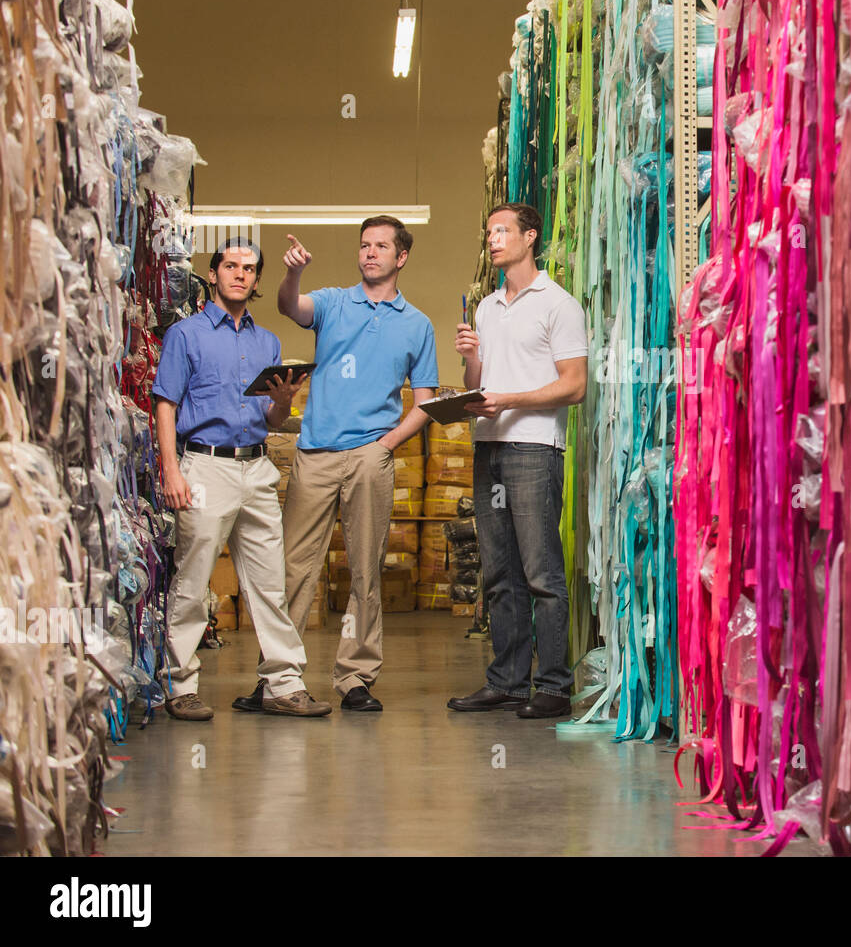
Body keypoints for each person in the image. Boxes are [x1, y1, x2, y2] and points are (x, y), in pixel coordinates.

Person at [232, 215, 437, 713]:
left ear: (400, 257)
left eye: (381, 246)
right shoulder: (331, 302)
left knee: (365, 570)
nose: (370, 253)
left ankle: (355, 678)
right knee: (294, 568)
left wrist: (384, 446)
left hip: (372, 456)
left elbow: (426, 402)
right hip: (316, 454)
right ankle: (276, 677)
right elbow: (289, 305)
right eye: (364, 245)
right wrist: (293, 273)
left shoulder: (417, 324)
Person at [152, 239, 331, 719]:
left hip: (256, 467)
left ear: (256, 280)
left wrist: (285, 397)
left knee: (270, 582)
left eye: (250, 268)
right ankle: (180, 685)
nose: (240, 274)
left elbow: (274, 420)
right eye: (230, 266)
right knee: (193, 580)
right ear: (213, 274)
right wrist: (170, 469)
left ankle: (283, 685)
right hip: (204, 465)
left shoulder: (267, 342)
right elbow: (165, 404)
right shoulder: (185, 335)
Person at [447, 203, 588, 719]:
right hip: (489, 445)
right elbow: (477, 387)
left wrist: (507, 400)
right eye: (488, 231)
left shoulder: (558, 304)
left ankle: (552, 687)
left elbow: (574, 386)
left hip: (532, 448)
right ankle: (507, 681)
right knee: (498, 571)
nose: (493, 239)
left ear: (531, 236)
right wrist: (470, 358)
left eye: (503, 230)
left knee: (541, 572)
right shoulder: (485, 307)